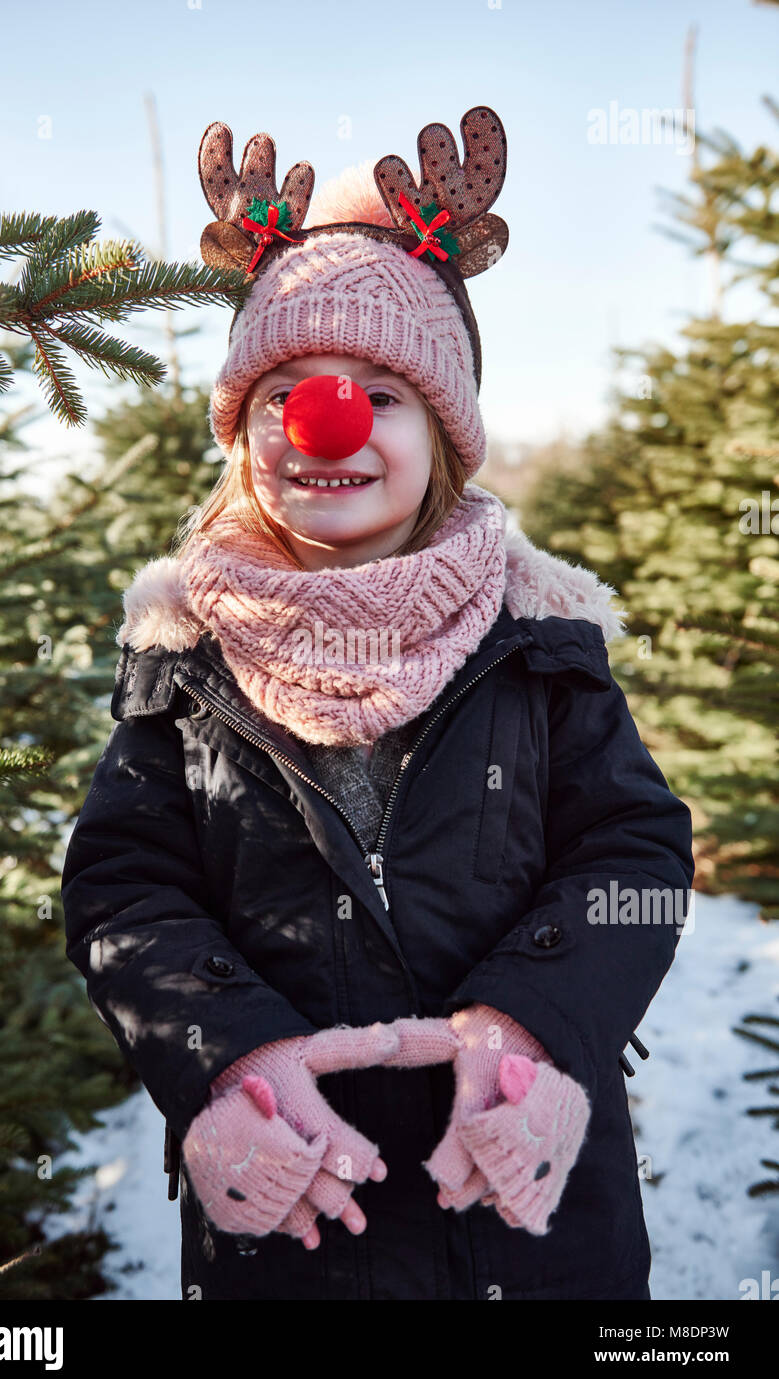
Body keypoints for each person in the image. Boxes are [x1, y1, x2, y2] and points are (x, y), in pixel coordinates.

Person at [60, 107, 695, 1301]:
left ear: (446, 436)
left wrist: (533, 1022)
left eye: (378, 395)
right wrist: (231, 1055)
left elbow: (638, 848)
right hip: (295, 1224)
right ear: (244, 436)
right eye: (284, 390)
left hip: (532, 1216)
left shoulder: (539, 645)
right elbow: (122, 889)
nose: (326, 420)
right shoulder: (187, 660)